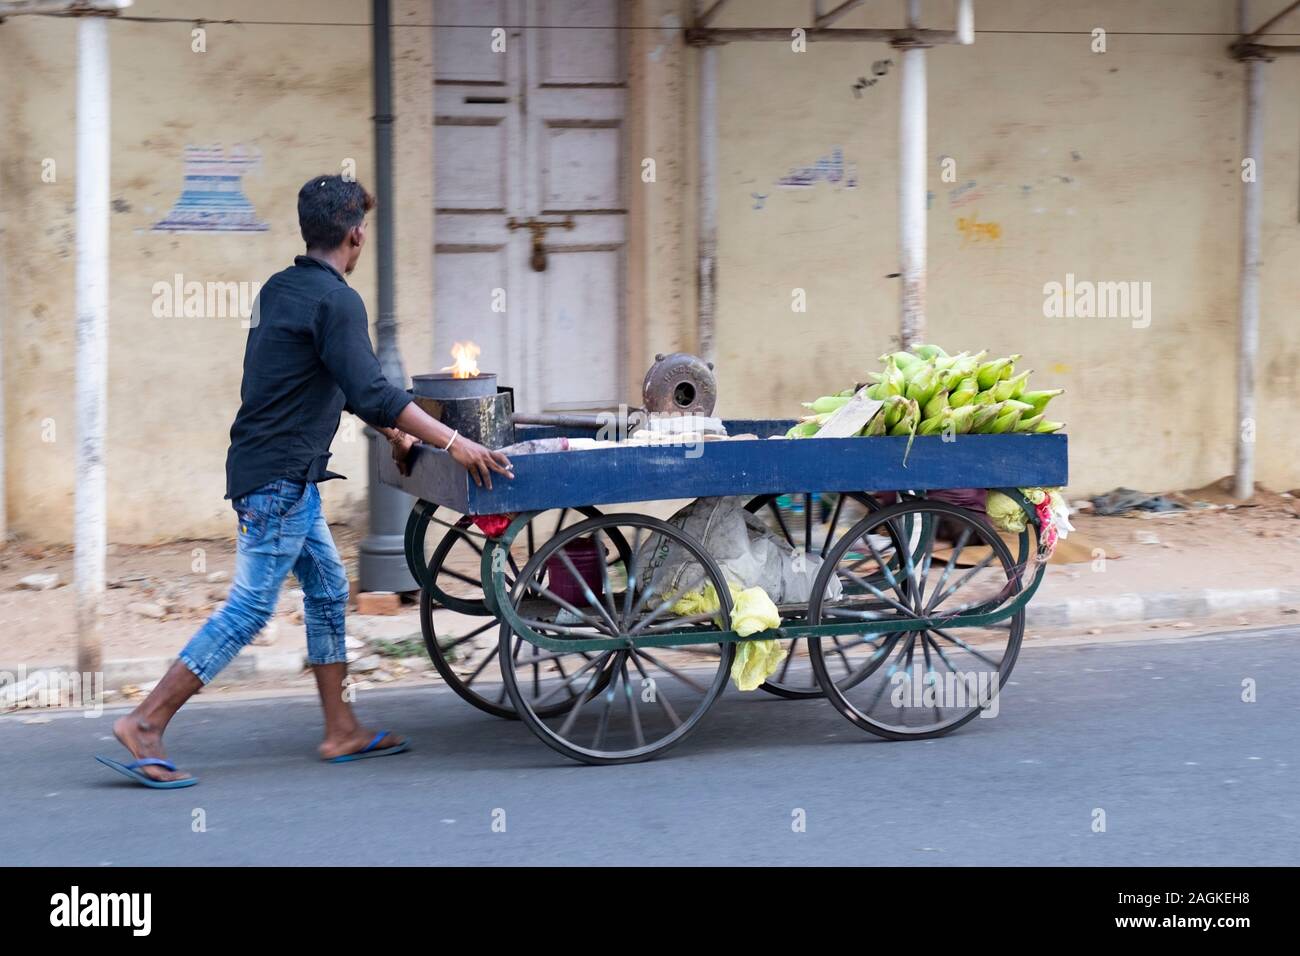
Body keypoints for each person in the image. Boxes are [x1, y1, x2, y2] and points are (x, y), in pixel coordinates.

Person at [96, 175, 512, 788]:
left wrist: (394, 432)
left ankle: (340, 726)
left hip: (275, 469)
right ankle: (146, 721)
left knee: (324, 589)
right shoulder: (337, 301)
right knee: (250, 608)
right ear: (356, 234)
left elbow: (321, 380)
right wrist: (452, 439)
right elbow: (373, 390)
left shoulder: (279, 290)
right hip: (281, 478)